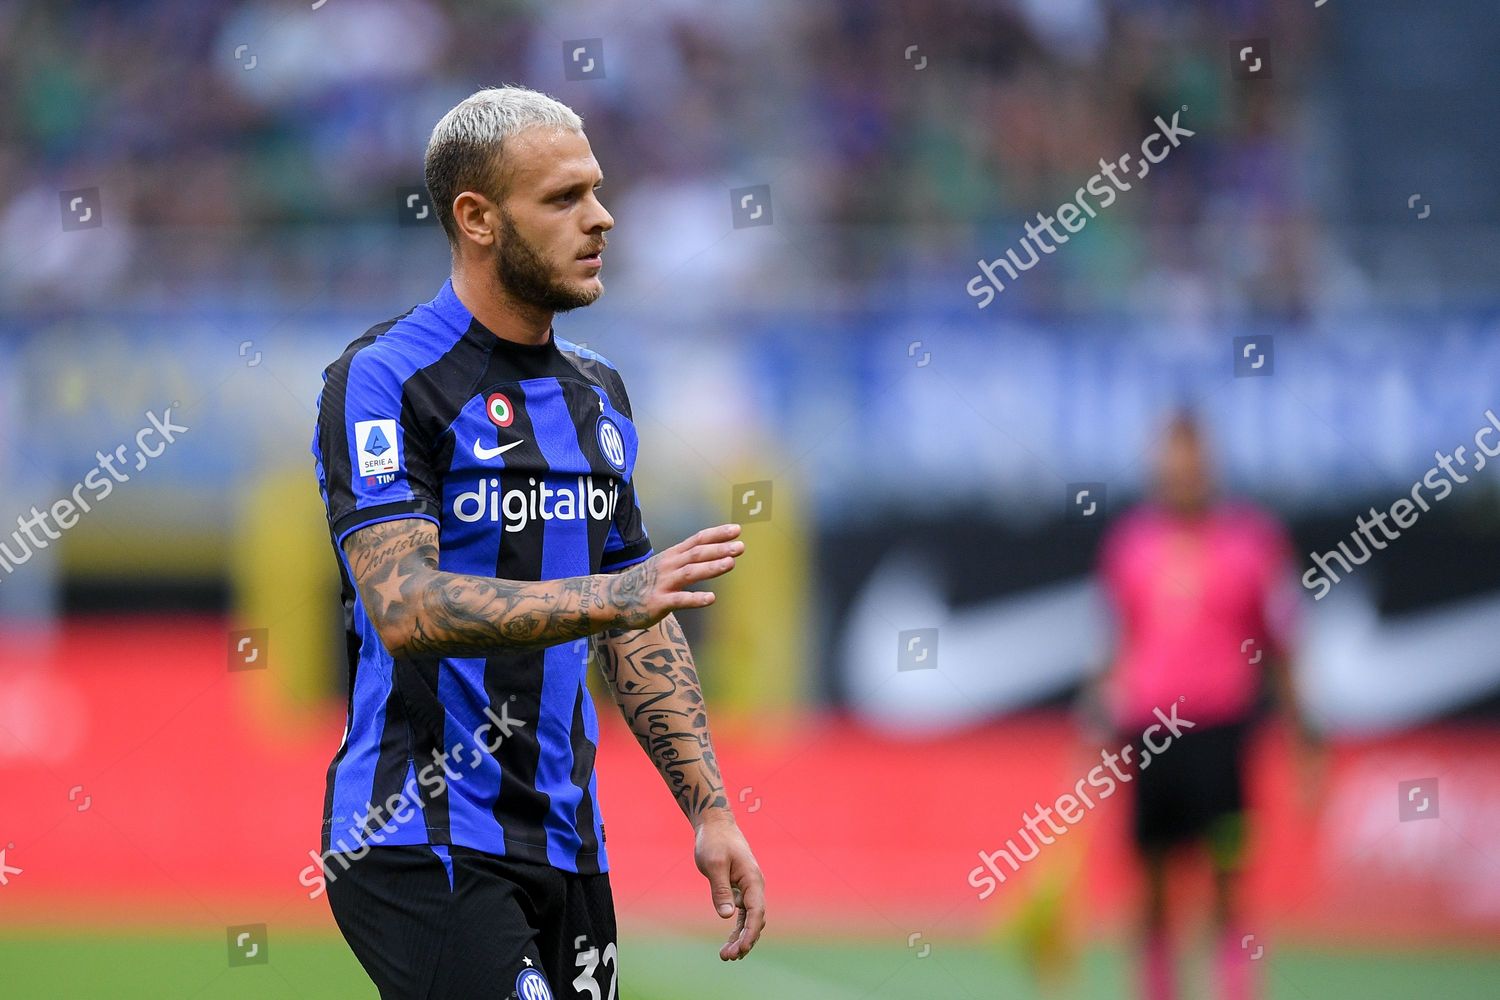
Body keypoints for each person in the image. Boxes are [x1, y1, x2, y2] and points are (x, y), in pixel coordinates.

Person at [310, 85, 765, 999]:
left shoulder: (600, 395)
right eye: (563, 199)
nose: (601, 219)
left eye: (595, 191)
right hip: (418, 835)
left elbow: (638, 626)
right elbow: (405, 607)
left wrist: (711, 808)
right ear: (476, 219)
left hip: (568, 840)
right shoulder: (386, 379)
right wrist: (617, 597)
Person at [1094, 411, 1308, 1000]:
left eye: (1193, 459)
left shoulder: (1253, 541)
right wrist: (1093, 722)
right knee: (1153, 880)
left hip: (1221, 731)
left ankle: (1235, 985)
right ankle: (1158, 988)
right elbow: (1115, 642)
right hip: (1150, 731)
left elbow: (1282, 643)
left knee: (1226, 875)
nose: (1182, 471)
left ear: (1209, 465)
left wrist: (1302, 733)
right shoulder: (1129, 544)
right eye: (1172, 459)